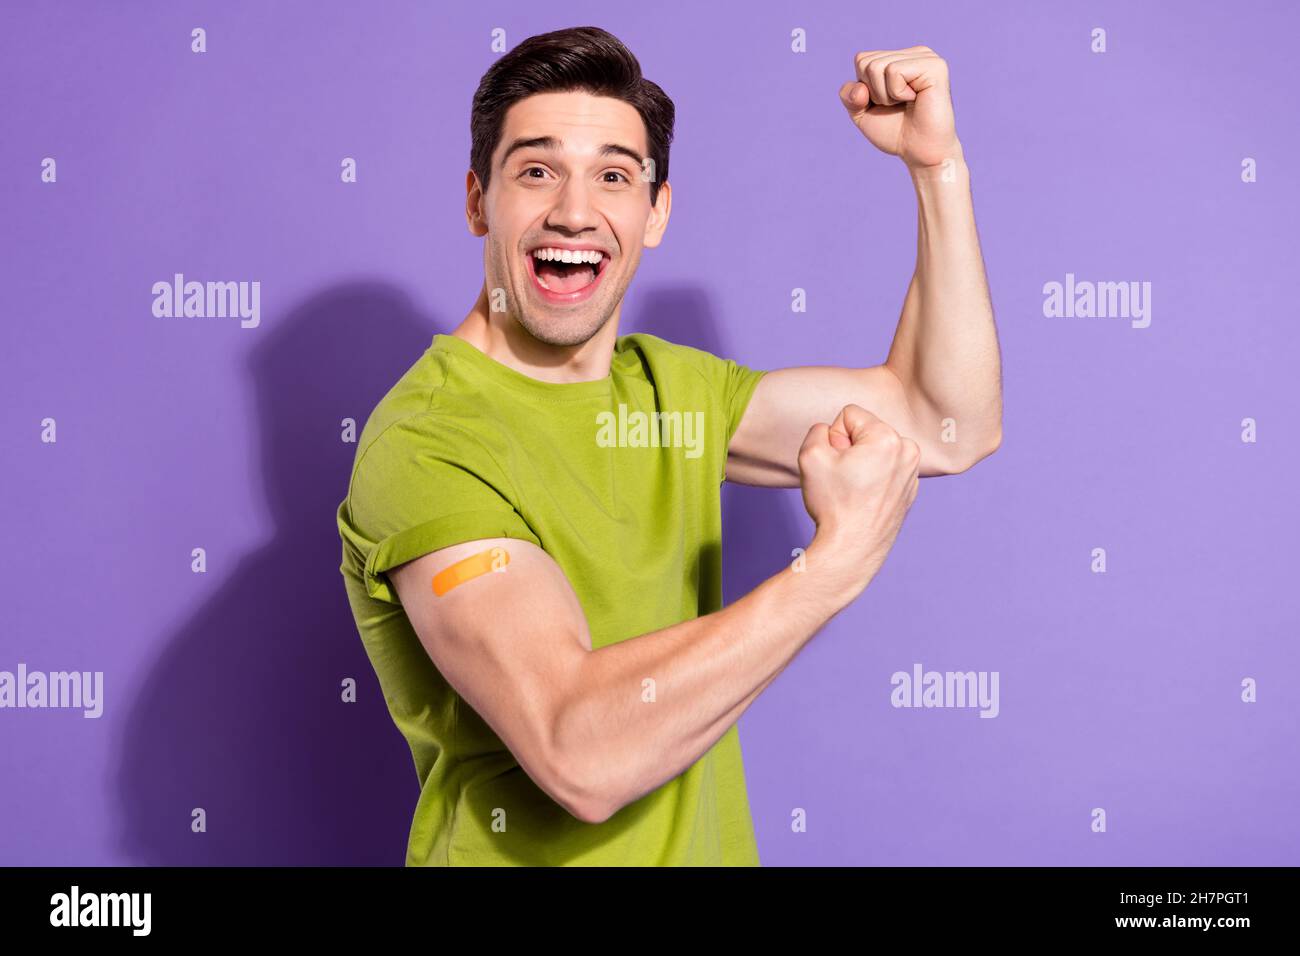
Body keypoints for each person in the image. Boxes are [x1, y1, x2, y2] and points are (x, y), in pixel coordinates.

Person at [336, 25, 1002, 866]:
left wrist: (937, 172)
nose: (575, 211)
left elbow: (947, 420)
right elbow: (580, 753)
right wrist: (830, 569)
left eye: (615, 176)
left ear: (655, 214)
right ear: (478, 200)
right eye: (536, 170)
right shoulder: (429, 440)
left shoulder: (670, 396)